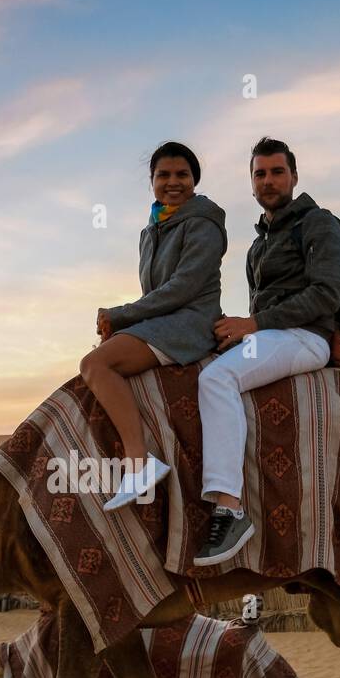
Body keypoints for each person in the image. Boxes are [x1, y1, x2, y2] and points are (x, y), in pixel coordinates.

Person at [193, 137, 340, 566]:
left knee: (217, 378)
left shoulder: (317, 223)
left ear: (294, 177)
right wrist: (240, 329)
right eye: (260, 173)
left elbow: (327, 294)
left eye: (277, 171)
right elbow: (258, 310)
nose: (268, 180)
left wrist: (255, 325)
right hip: (274, 336)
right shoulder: (257, 246)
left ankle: (230, 509)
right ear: (251, 182)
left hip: (307, 338)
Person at [82, 141, 228, 511]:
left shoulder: (203, 223)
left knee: (96, 364)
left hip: (191, 322)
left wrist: (122, 314)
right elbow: (156, 292)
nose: (173, 182)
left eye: (182, 174)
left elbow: (183, 288)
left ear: (195, 180)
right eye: (163, 175)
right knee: (101, 357)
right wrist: (122, 321)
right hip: (165, 318)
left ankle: (138, 461)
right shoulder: (151, 231)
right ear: (152, 182)